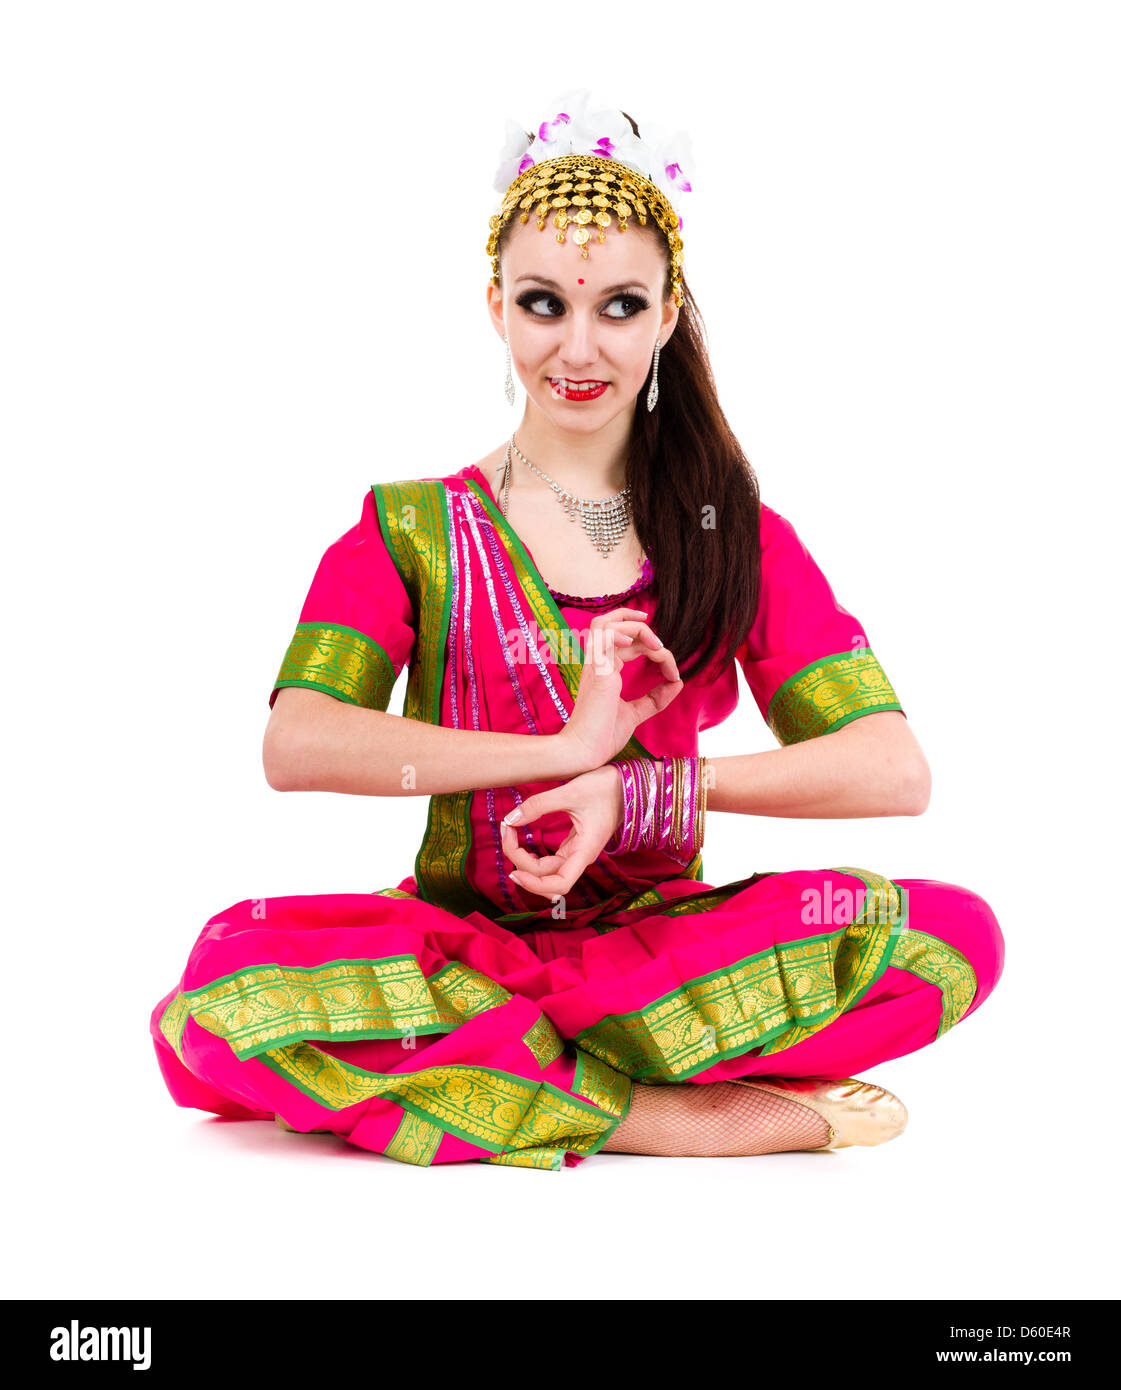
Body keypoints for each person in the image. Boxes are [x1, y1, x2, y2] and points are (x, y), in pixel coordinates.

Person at [150, 91, 1004, 1170]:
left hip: (662, 959)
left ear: (665, 313)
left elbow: (890, 771)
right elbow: (298, 741)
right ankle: (651, 1110)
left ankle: (515, 1075)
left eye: (619, 307)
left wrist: (635, 789)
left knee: (948, 937)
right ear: (496, 308)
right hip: (462, 953)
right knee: (222, 986)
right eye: (545, 303)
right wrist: (563, 751)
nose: (578, 347)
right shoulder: (411, 525)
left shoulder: (727, 531)